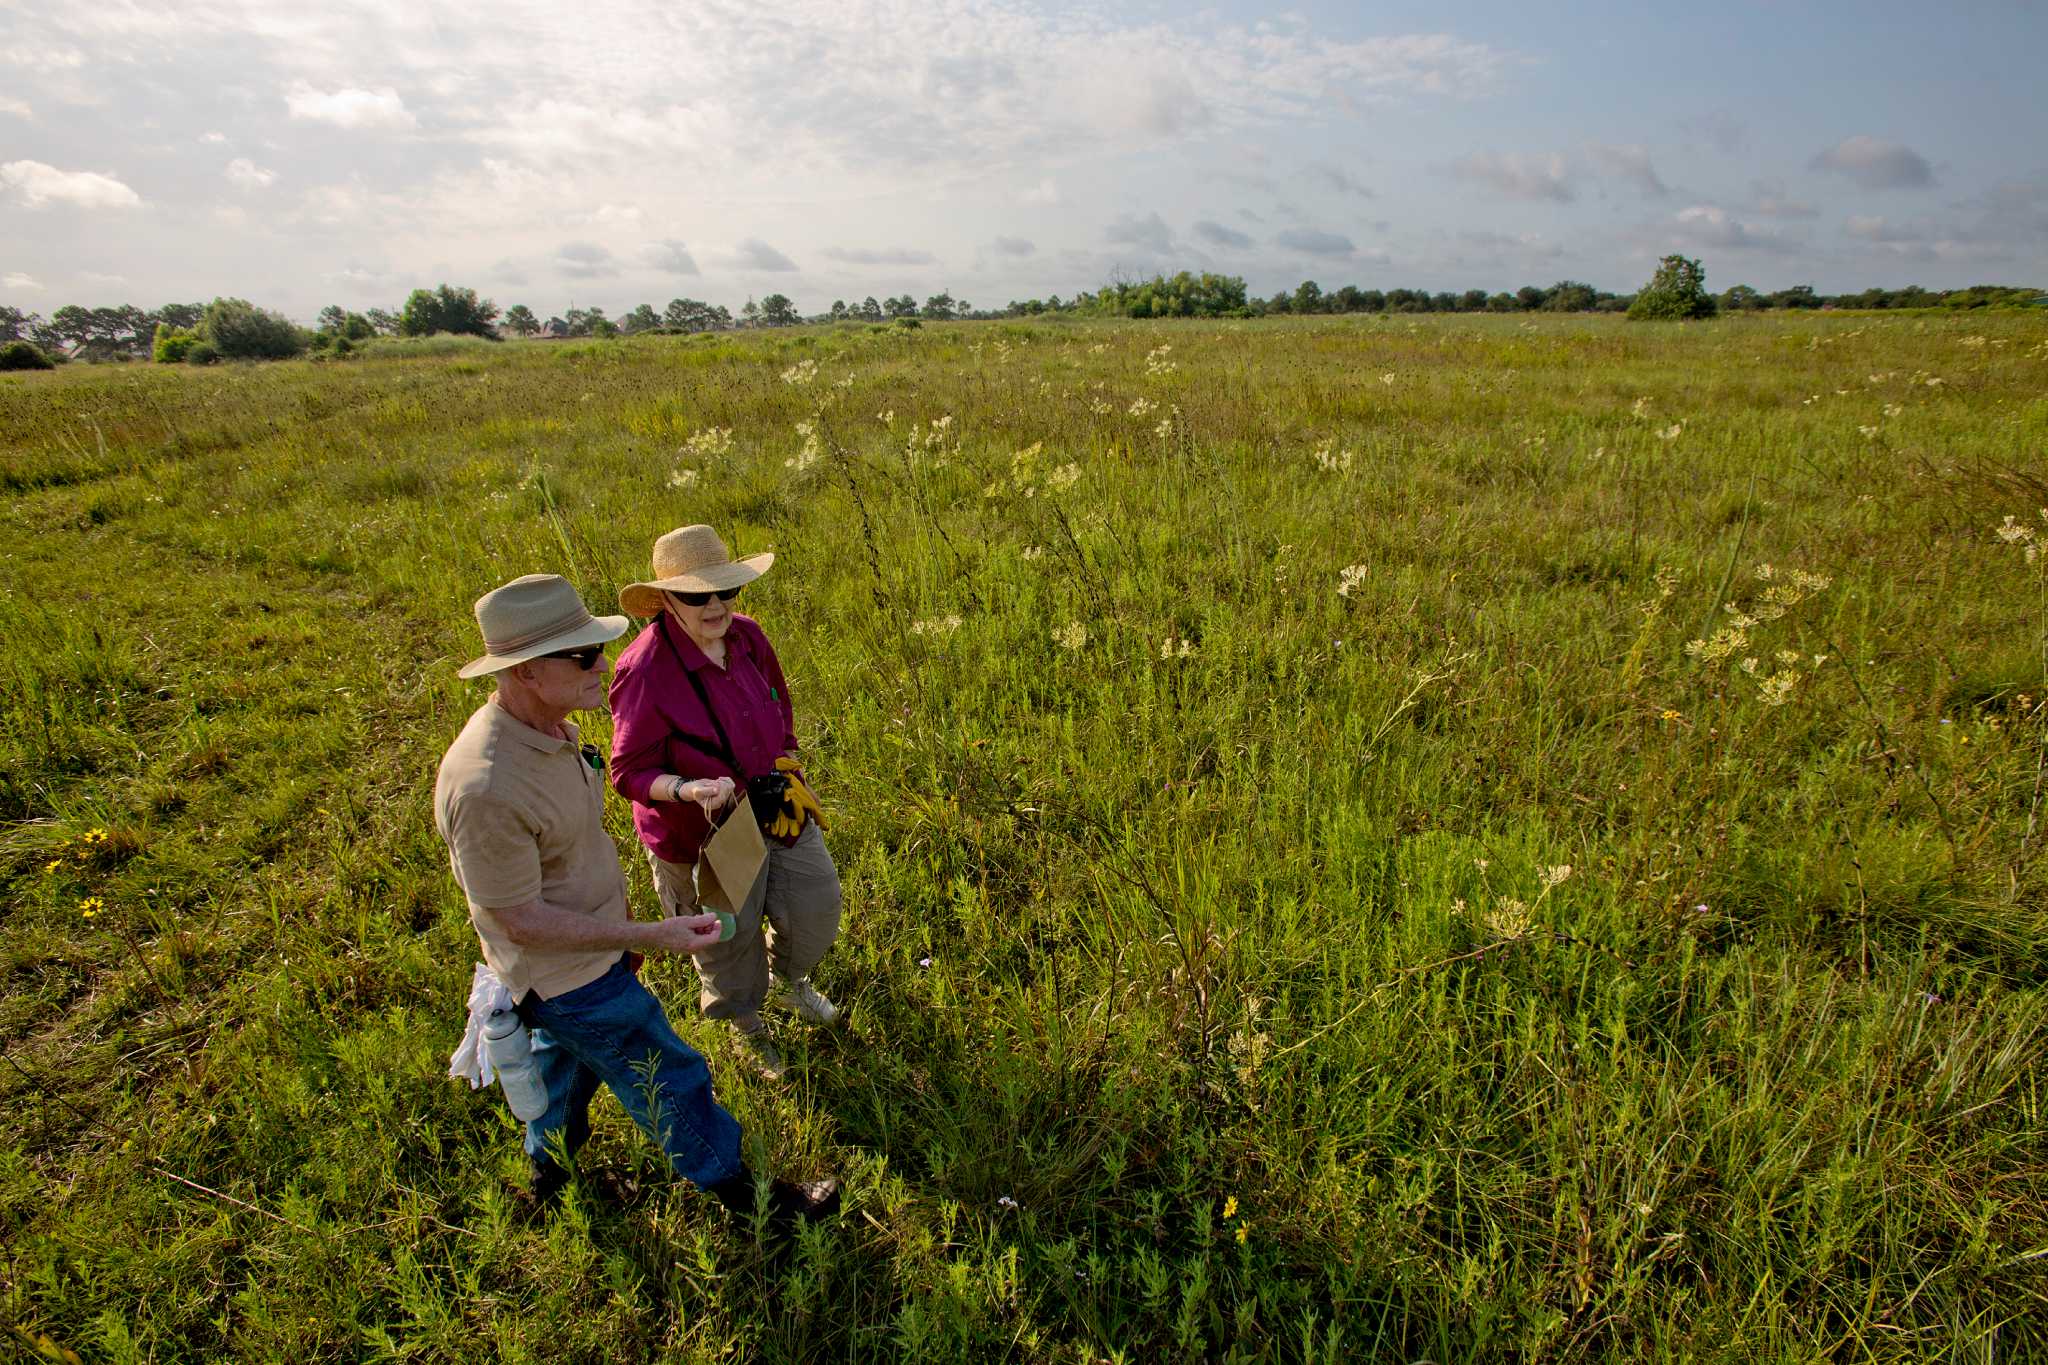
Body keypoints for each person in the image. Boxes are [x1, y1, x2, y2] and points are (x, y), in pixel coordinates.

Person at [433, 571, 837, 1225]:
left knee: (564, 1070)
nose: (603, 664)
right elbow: (516, 919)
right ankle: (753, 1197)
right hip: (567, 975)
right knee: (667, 1074)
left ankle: (549, 1173)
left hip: (593, 949)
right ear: (528, 670)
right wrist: (648, 933)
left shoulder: (550, 727)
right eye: (584, 655)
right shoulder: (486, 784)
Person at [609, 525, 843, 1079]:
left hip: (771, 800)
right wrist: (686, 790)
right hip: (703, 834)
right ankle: (747, 1026)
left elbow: (778, 705)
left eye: (725, 590)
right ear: (666, 600)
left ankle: (790, 982)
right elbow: (628, 771)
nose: (715, 605)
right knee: (726, 941)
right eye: (695, 595)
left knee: (816, 905)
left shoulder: (748, 636)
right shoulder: (644, 670)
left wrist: (785, 763)